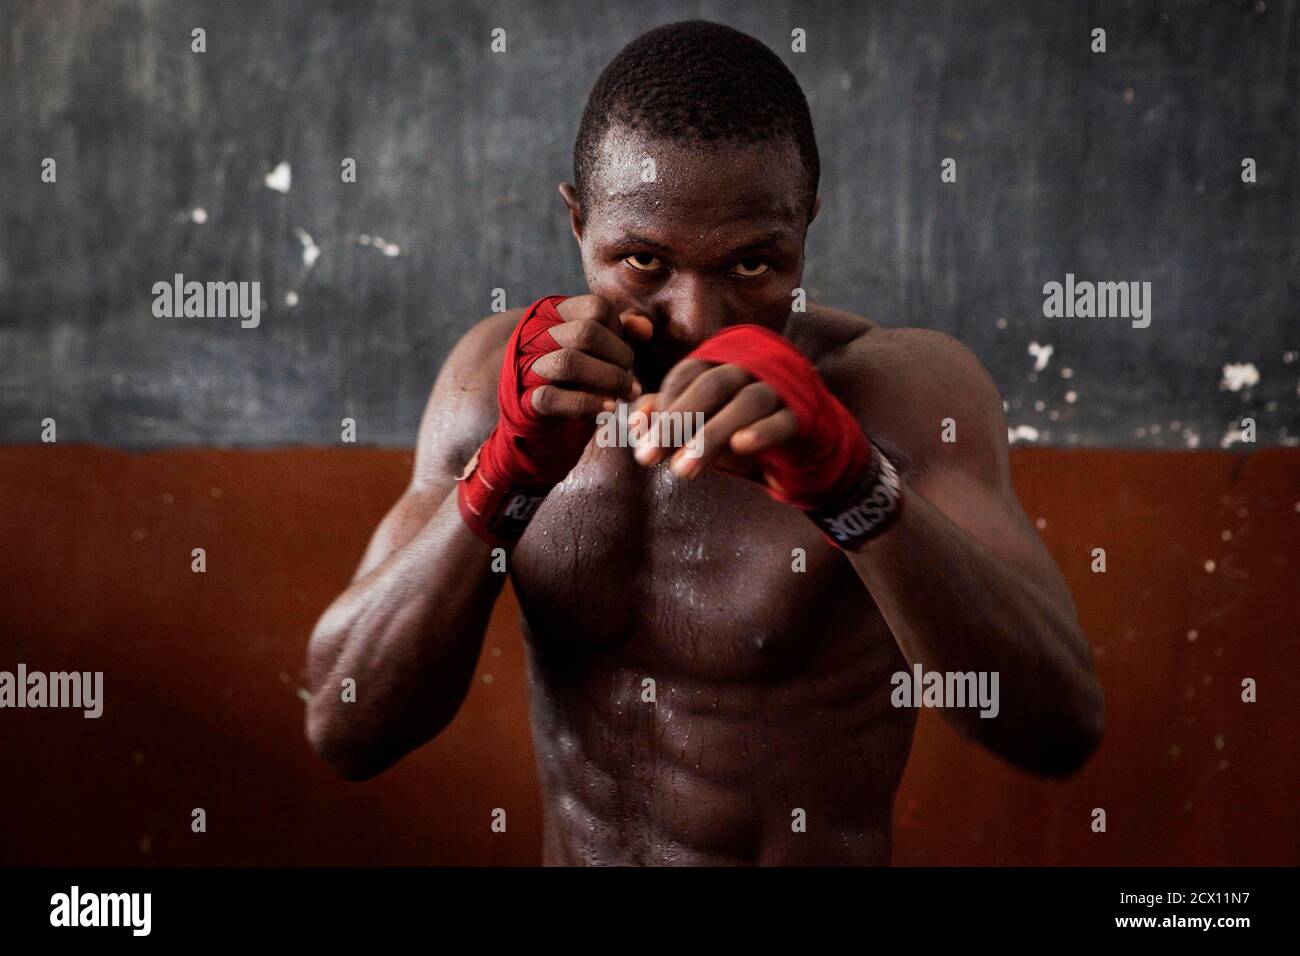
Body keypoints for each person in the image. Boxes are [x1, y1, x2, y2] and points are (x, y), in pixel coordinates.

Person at [304, 20, 1104, 865]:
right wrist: (503, 474)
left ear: (806, 227)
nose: (696, 320)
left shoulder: (904, 396)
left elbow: (1059, 726)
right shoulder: (494, 379)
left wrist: (850, 486)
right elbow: (346, 729)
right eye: (643, 260)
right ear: (578, 222)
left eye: (752, 265)